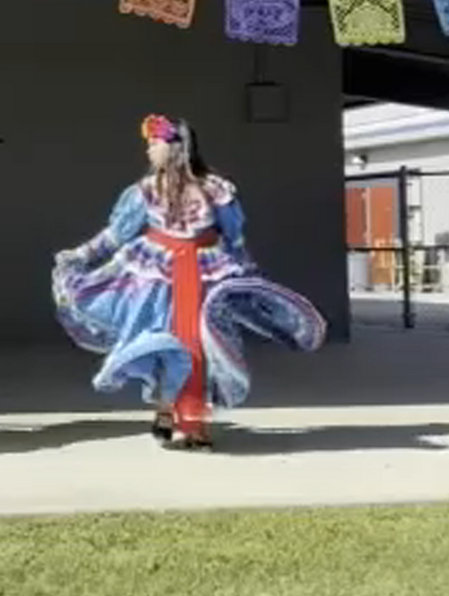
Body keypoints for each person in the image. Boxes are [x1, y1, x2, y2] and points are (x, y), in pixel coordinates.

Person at [52, 114, 327, 451]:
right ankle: (166, 413)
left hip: (205, 277)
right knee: (161, 343)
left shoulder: (215, 189)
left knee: (202, 349)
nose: (149, 151)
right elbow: (116, 234)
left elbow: (234, 237)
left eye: (154, 144)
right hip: (157, 280)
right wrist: (80, 256)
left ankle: (196, 424)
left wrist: (250, 276)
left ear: (175, 147)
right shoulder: (146, 190)